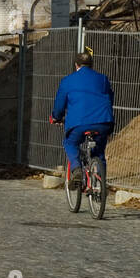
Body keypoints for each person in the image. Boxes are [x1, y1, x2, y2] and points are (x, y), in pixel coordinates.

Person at [51, 48, 115, 184]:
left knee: (70, 143)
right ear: (92, 65)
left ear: (76, 65)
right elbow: (110, 98)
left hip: (78, 123)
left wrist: (56, 117)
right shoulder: (103, 79)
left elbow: (60, 104)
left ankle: (76, 168)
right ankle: (100, 184)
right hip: (103, 121)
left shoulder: (67, 81)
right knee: (99, 151)